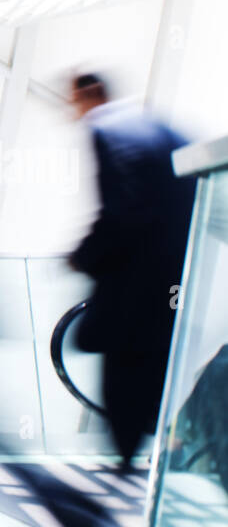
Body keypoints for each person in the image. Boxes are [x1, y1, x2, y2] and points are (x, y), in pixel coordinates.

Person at [67, 72, 194, 476]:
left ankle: (127, 459)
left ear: (88, 94)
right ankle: (156, 447)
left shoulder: (106, 130)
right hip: (173, 279)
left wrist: (83, 257)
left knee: (120, 373)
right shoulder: (163, 129)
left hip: (131, 284)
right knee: (151, 368)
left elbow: (120, 210)